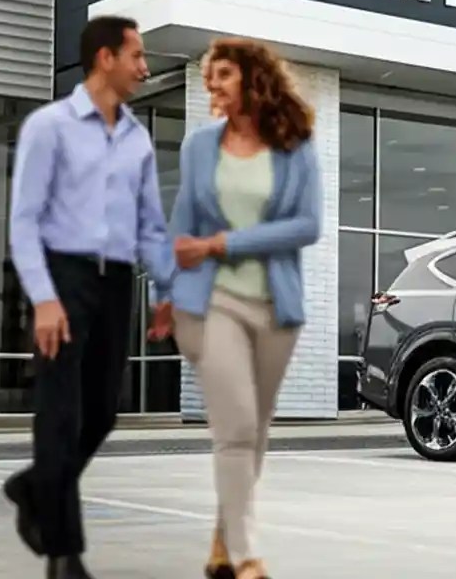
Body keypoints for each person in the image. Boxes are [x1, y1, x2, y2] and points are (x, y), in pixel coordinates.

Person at [4, 15, 177, 579]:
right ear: (106, 58)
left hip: (116, 279)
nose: (145, 67)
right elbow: (24, 222)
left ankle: (35, 488)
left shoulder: (137, 139)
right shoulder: (49, 127)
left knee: (101, 410)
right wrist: (44, 298)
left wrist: (166, 290)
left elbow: (151, 225)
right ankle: (64, 555)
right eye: (137, 56)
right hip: (62, 276)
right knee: (58, 413)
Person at [161, 37, 321, 579]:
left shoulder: (296, 144)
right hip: (215, 302)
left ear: (253, 78)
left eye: (222, 75)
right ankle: (248, 556)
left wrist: (224, 243)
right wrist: (165, 291)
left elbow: (307, 225)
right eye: (209, 78)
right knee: (235, 427)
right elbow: (183, 226)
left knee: (254, 432)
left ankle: (221, 542)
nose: (213, 85)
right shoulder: (199, 147)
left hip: (276, 308)